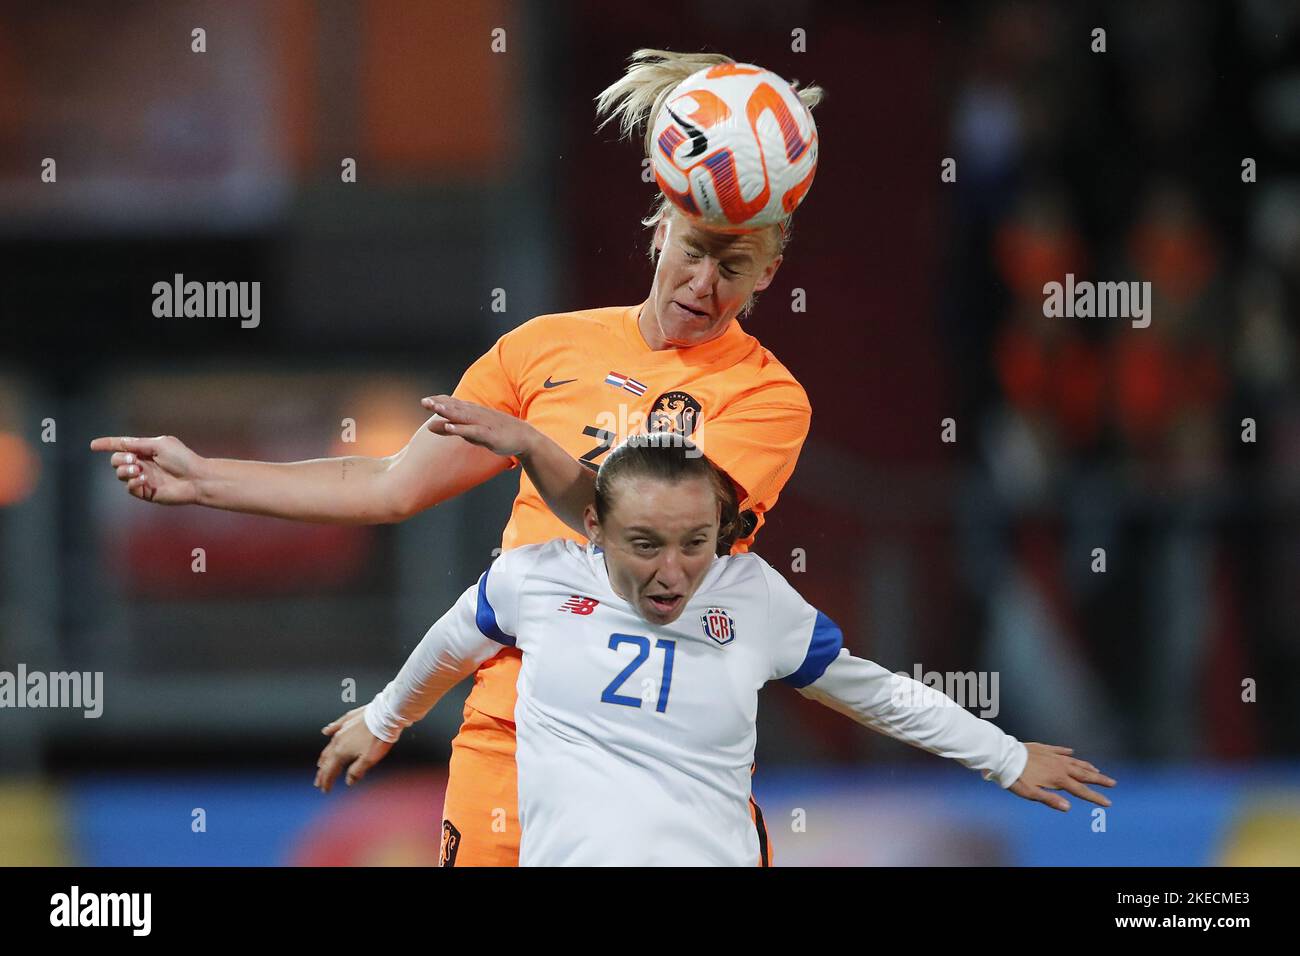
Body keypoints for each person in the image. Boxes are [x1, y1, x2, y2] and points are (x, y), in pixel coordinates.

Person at [90, 48, 825, 866]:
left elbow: (656, 535)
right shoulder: (544, 349)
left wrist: (531, 447)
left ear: (769, 271)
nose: (703, 281)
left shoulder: (765, 400)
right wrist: (206, 479)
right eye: (692, 248)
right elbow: (391, 484)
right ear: (660, 222)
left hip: (669, 753)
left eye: (734, 266)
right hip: (512, 733)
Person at [315, 434, 1116, 866]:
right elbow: (451, 644)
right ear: (591, 528)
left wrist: (1004, 757)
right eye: (646, 544)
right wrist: (383, 720)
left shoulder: (753, 595)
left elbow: (873, 691)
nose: (674, 572)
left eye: (696, 542)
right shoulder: (531, 581)